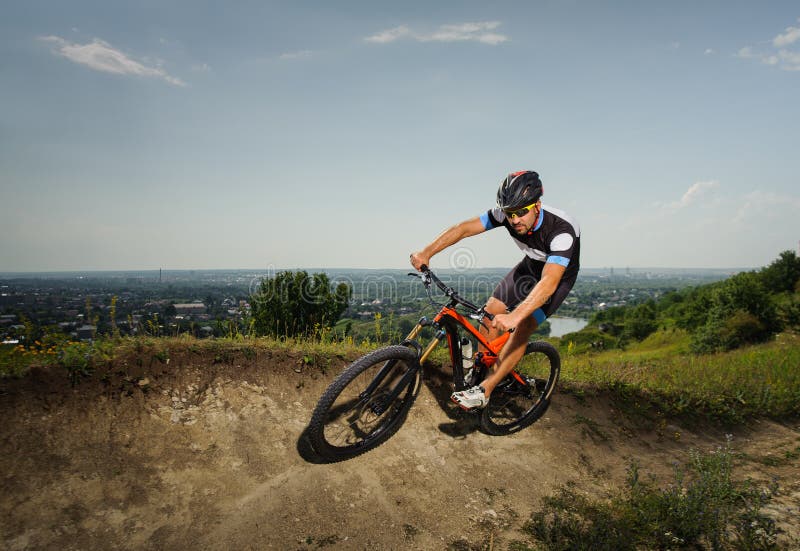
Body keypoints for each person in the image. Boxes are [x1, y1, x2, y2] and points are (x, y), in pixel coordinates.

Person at [410, 170, 580, 410]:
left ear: (537, 206)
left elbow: (549, 282)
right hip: (530, 266)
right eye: (510, 214)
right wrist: (427, 252)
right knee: (490, 312)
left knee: (524, 326)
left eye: (522, 212)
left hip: (557, 277)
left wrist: (516, 315)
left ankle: (485, 390)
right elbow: (464, 229)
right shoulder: (507, 213)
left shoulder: (561, 230)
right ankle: (480, 367)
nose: (515, 220)